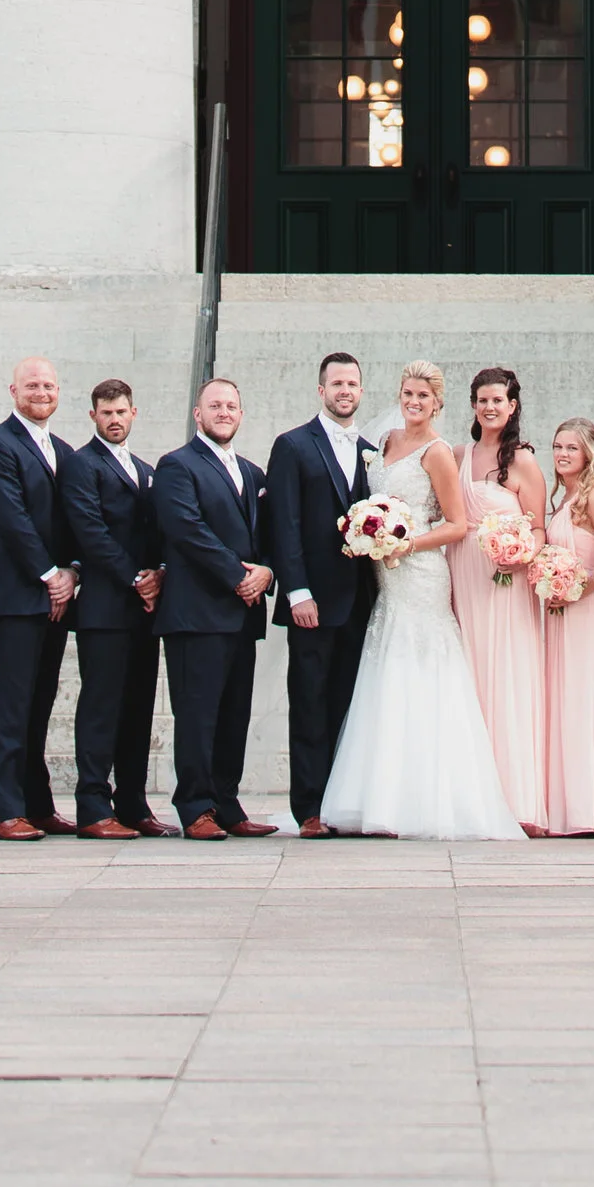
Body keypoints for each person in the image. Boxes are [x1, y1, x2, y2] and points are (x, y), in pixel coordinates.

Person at [321, 361, 521, 841]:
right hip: (385, 580)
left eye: (424, 397)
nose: (414, 402)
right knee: (385, 670)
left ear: (438, 403)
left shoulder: (437, 453)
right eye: (408, 393)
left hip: (421, 575)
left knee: (420, 672)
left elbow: (456, 525)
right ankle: (379, 796)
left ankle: (426, 799)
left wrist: (402, 543)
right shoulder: (384, 444)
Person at [151, 376, 278, 840]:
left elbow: (271, 533)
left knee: (232, 716)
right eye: (215, 405)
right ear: (197, 414)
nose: (224, 412)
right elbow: (187, 529)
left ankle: (227, 802)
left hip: (242, 615)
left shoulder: (252, 473)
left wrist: (266, 571)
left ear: (241, 415)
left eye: (231, 406)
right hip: (197, 615)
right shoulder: (176, 466)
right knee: (198, 714)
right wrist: (239, 575)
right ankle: (195, 806)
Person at [263, 349, 376, 837]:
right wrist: (297, 592)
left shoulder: (372, 449)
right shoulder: (292, 446)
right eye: (336, 384)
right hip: (312, 602)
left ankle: (341, 802)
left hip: (361, 602)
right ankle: (308, 808)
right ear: (321, 390)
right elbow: (283, 525)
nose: (344, 391)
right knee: (309, 703)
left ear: (360, 389)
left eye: (351, 383)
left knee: (347, 705)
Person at [0, 355, 80, 838]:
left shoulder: (62, 448)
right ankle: (6, 809)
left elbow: (74, 520)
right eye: (32, 385)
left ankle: (37, 803)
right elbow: (11, 518)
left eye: (49, 385)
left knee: (40, 704)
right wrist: (48, 574)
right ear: (13, 391)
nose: (42, 392)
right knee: (13, 704)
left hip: (58, 598)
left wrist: (72, 572)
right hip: (19, 597)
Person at [61, 378, 166, 838]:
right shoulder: (81, 465)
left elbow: (159, 530)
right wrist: (134, 578)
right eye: (106, 414)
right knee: (102, 707)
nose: (115, 420)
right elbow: (90, 531)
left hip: (144, 610)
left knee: (139, 708)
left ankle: (133, 802)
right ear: (93, 417)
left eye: (121, 412)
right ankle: (93, 807)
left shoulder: (146, 469)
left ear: (133, 413)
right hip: (105, 609)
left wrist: (158, 572)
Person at [450, 366, 549, 832]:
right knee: (468, 677)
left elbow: (538, 525)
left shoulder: (523, 461)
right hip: (462, 573)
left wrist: (521, 553)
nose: (490, 407)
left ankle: (516, 799)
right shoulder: (457, 454)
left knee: (506, 678)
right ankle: (471, 795)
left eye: (499, 400)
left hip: (504, 581)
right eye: (483, 400)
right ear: (473, 405)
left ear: (512, 407)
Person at [540, 418, 594, 840]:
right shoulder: (563, 497)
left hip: (590, 611)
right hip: (562, 615)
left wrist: (584, 586)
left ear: (589, 452)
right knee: (567, 703)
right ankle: (569, 809)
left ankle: (593, 809)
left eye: (572, 448)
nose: (562, 455)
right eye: (558, 446)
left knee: (589, 701)